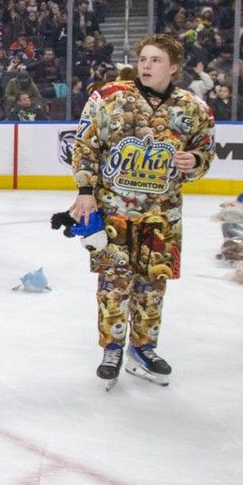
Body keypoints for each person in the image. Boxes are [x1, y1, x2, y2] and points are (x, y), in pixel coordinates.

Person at [69, 35, 215, 387]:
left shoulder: (194, 108)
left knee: (153, 284)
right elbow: (86, 144)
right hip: (114, 211)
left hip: (163, 215)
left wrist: (193, 160)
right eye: (144, 59)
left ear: (174, 66)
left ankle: (143, 347)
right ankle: (112, 346)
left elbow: (205, 153)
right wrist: (85, 191)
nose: (147, 66)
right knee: (113, 283)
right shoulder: (110, 97)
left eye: (156, 60)